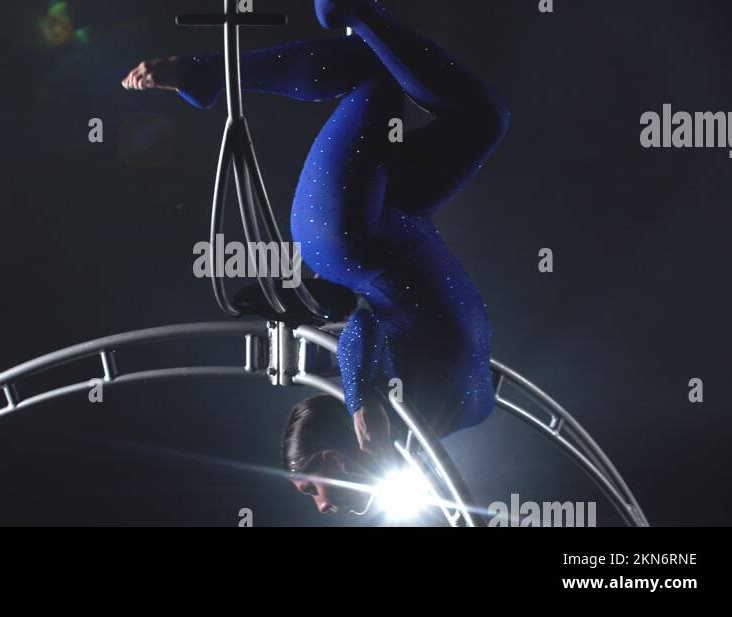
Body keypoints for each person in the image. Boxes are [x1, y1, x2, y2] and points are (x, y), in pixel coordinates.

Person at [122, 0, 510, 513]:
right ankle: (307, 29)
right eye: (311, 492)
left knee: (376, 74)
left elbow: (361, 333)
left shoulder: (388, 400)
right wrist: (369, 404)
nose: (322, 508)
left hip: (343, 236)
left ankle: (214, 71)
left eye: (309, 493)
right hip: (397, 219)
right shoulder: (420, 419)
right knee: (483, 118)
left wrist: (363, 401)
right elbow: (373, 335)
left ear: (335, 456)